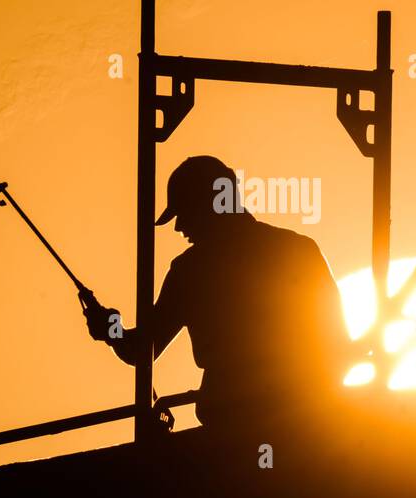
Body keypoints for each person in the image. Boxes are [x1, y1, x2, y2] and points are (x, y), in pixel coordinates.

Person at [83, 156, 354, 443]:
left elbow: (140, 350)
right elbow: (338, 346)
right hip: (310, 428)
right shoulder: (299, 250)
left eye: (184, 213)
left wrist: (111, 329)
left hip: (230, 435)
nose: (178, 228)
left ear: (208, 205)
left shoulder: (190, 271)